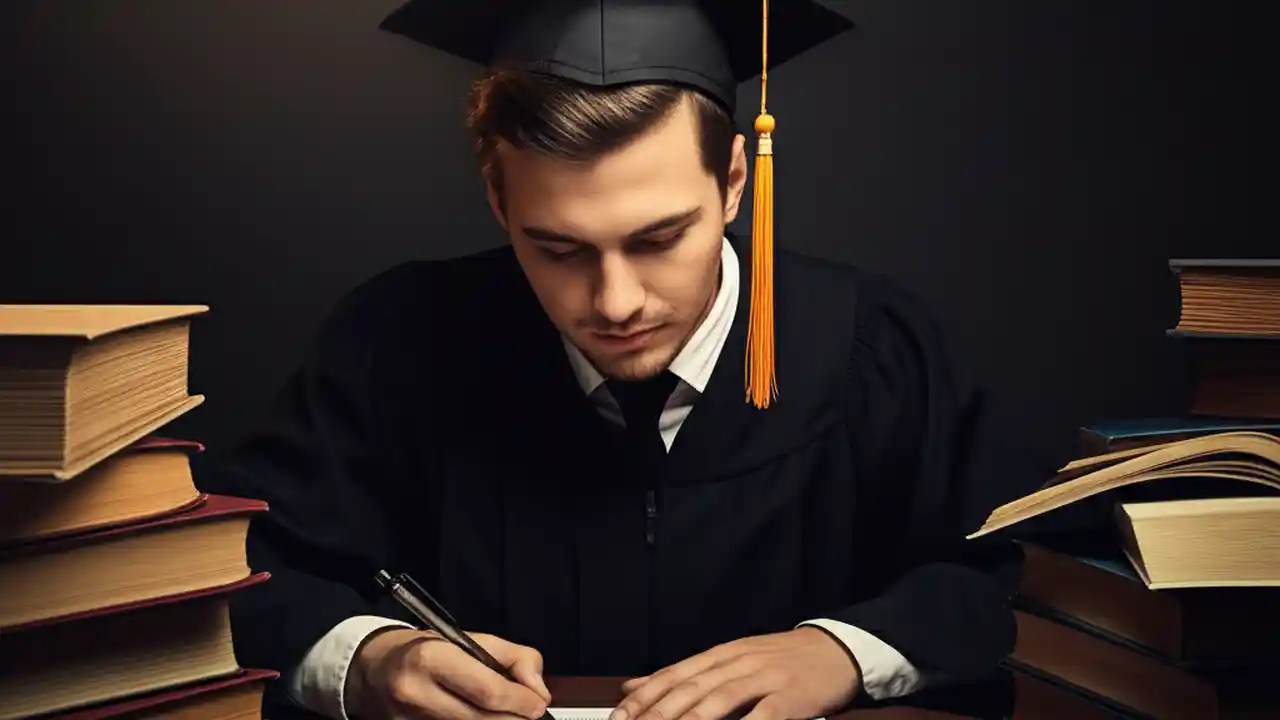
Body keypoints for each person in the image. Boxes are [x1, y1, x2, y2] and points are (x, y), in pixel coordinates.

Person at [206, 1, 1039, 719]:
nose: (614, 303)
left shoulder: (875, 349)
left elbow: (1001, 579)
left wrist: (842, 652)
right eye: (558, 247)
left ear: (735, 181)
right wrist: (370, 659)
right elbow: (241, 575)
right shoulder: (399, 345)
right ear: (499, 201)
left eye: (659, 239)